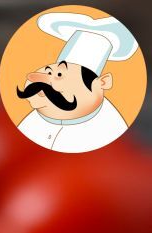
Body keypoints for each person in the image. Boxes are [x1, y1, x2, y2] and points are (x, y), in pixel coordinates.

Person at [16, 11, 139, 153]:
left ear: (102, 83)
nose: (42, 81)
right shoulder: (30, 119)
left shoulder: (109, 131)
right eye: (48, 71)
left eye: (60, 75)